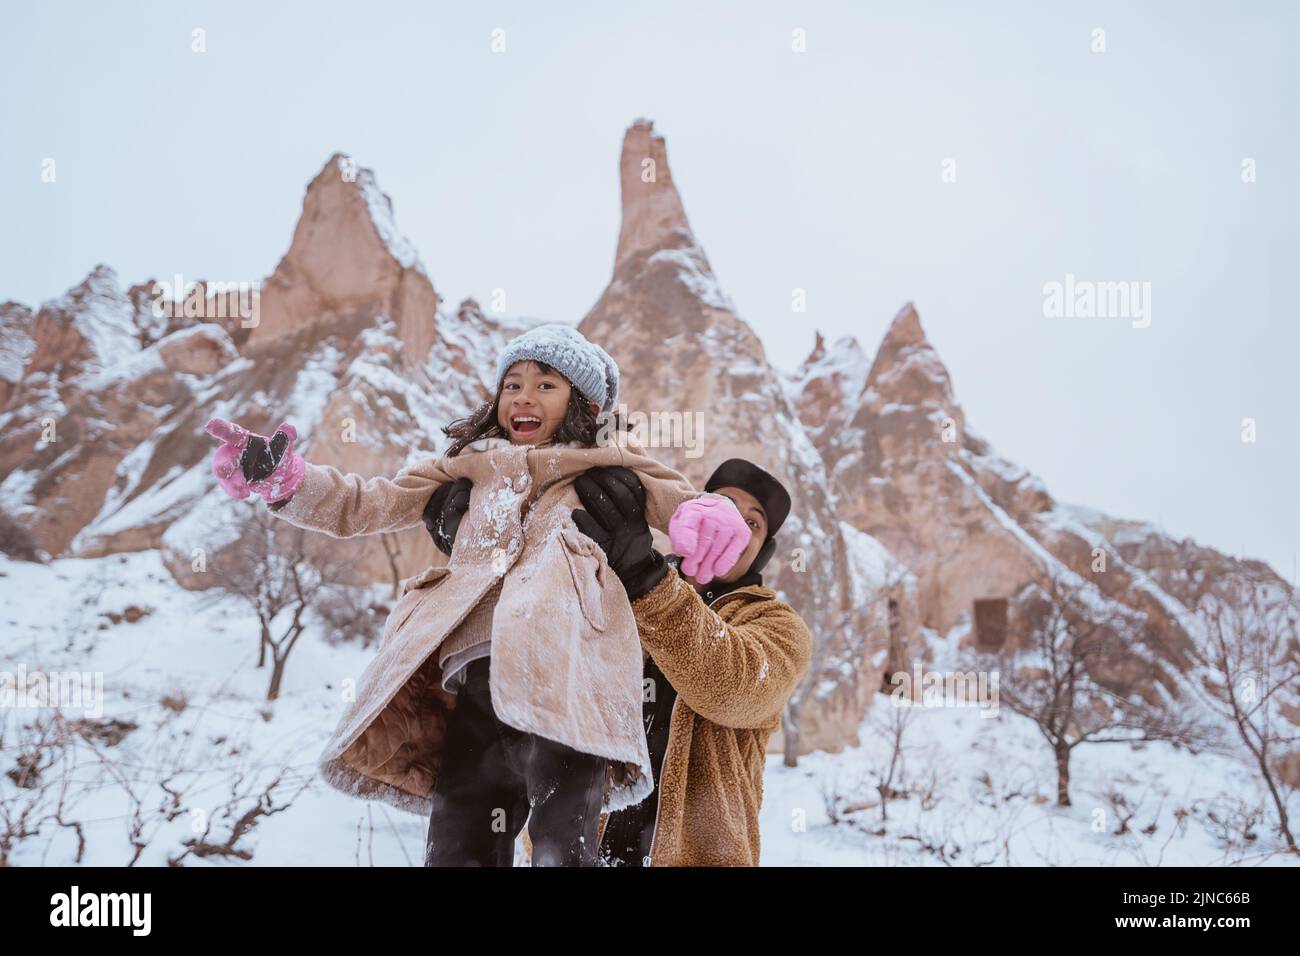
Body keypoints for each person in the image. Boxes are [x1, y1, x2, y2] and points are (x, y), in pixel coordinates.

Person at [205, 324, 751, 866]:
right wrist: (286, 481)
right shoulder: (466, 466)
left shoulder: (611, 461)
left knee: (564, 845)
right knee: (459, 844)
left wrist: (710, 516)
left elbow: (679, 498)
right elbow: (369, 502)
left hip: (568, 678)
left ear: (583, 403)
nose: (523, 397)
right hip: (473, 681)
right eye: (511, 385)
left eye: (545, 384)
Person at [424, 457, 813, 865]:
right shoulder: (615, 580)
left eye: (753, 522)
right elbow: (530, 633)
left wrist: (647, 580)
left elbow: (731, 687)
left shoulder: (779, 626)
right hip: (576, 847)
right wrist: (482, 546)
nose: (735, 523)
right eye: (725, 505)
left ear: (764, 552)